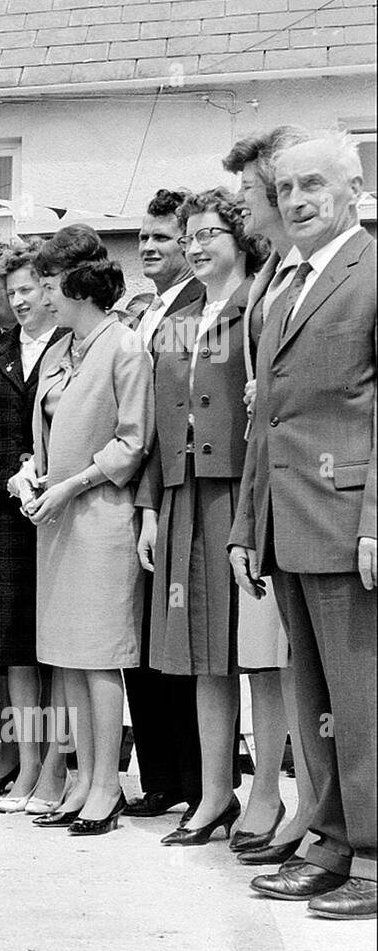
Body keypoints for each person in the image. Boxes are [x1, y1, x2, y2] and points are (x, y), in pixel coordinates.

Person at [232, 131, 377, 920]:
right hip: (290, 525)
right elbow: (270, 423)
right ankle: (329, 842)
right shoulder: (286, 286)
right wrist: (246, 525)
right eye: (285, 189)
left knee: (363, 702)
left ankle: (374, 858)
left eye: (312, 185)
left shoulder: (370, 271)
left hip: (348, 519)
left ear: (353, 188)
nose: (296, 201)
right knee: (313, 699)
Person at [136, 189, 265, 846]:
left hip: (239, 489)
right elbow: (160, 418)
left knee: (255, 655)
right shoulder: (182, 311)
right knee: (200, 655)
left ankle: (267, 796)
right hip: (183, 491)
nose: (195, 243)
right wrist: (152, 507)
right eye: (190, 233)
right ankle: (216, 794)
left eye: (211, 231)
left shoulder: (258, 303)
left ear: (240, 238)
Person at [18, 232, 154, 836]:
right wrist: (32, 475)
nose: (42, 293)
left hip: (100, 517)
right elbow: (42, 436)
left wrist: (72, 485)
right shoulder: (56, 351)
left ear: (75, 285)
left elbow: (133, 441)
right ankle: (79, 780)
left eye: (47, 283)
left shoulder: (125, 346)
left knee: (99, 659)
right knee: (67, 659)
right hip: (56, 519)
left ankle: (107, 787)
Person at [220, 125, 317, 865]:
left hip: (313, 492)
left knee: (307, 661)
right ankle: (281, 797)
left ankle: (317, 805)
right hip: (267, 487)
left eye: (251, 193)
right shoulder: (271, 277)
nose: (248, 207)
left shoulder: (301, 272)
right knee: (273, 655)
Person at [0, 241, 66, 809]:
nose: (21, 299)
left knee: (59, 645)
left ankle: (58, 764)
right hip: (5, 514)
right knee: (15, 647)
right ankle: (26, 766)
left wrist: (43, 473)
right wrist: (5, 482)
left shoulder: (71, 345)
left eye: (31, 288)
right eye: (14, 291)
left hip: (58, 509)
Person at [117, 189, 206, 823]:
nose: (149, 247)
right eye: (144, 238)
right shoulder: (145, 313)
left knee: (177, 642)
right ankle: (159, 777)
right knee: (141, 645)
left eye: (163, 238)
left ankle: (194, 780)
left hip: (168, 486)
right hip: (133, 492)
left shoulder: (196, 310)